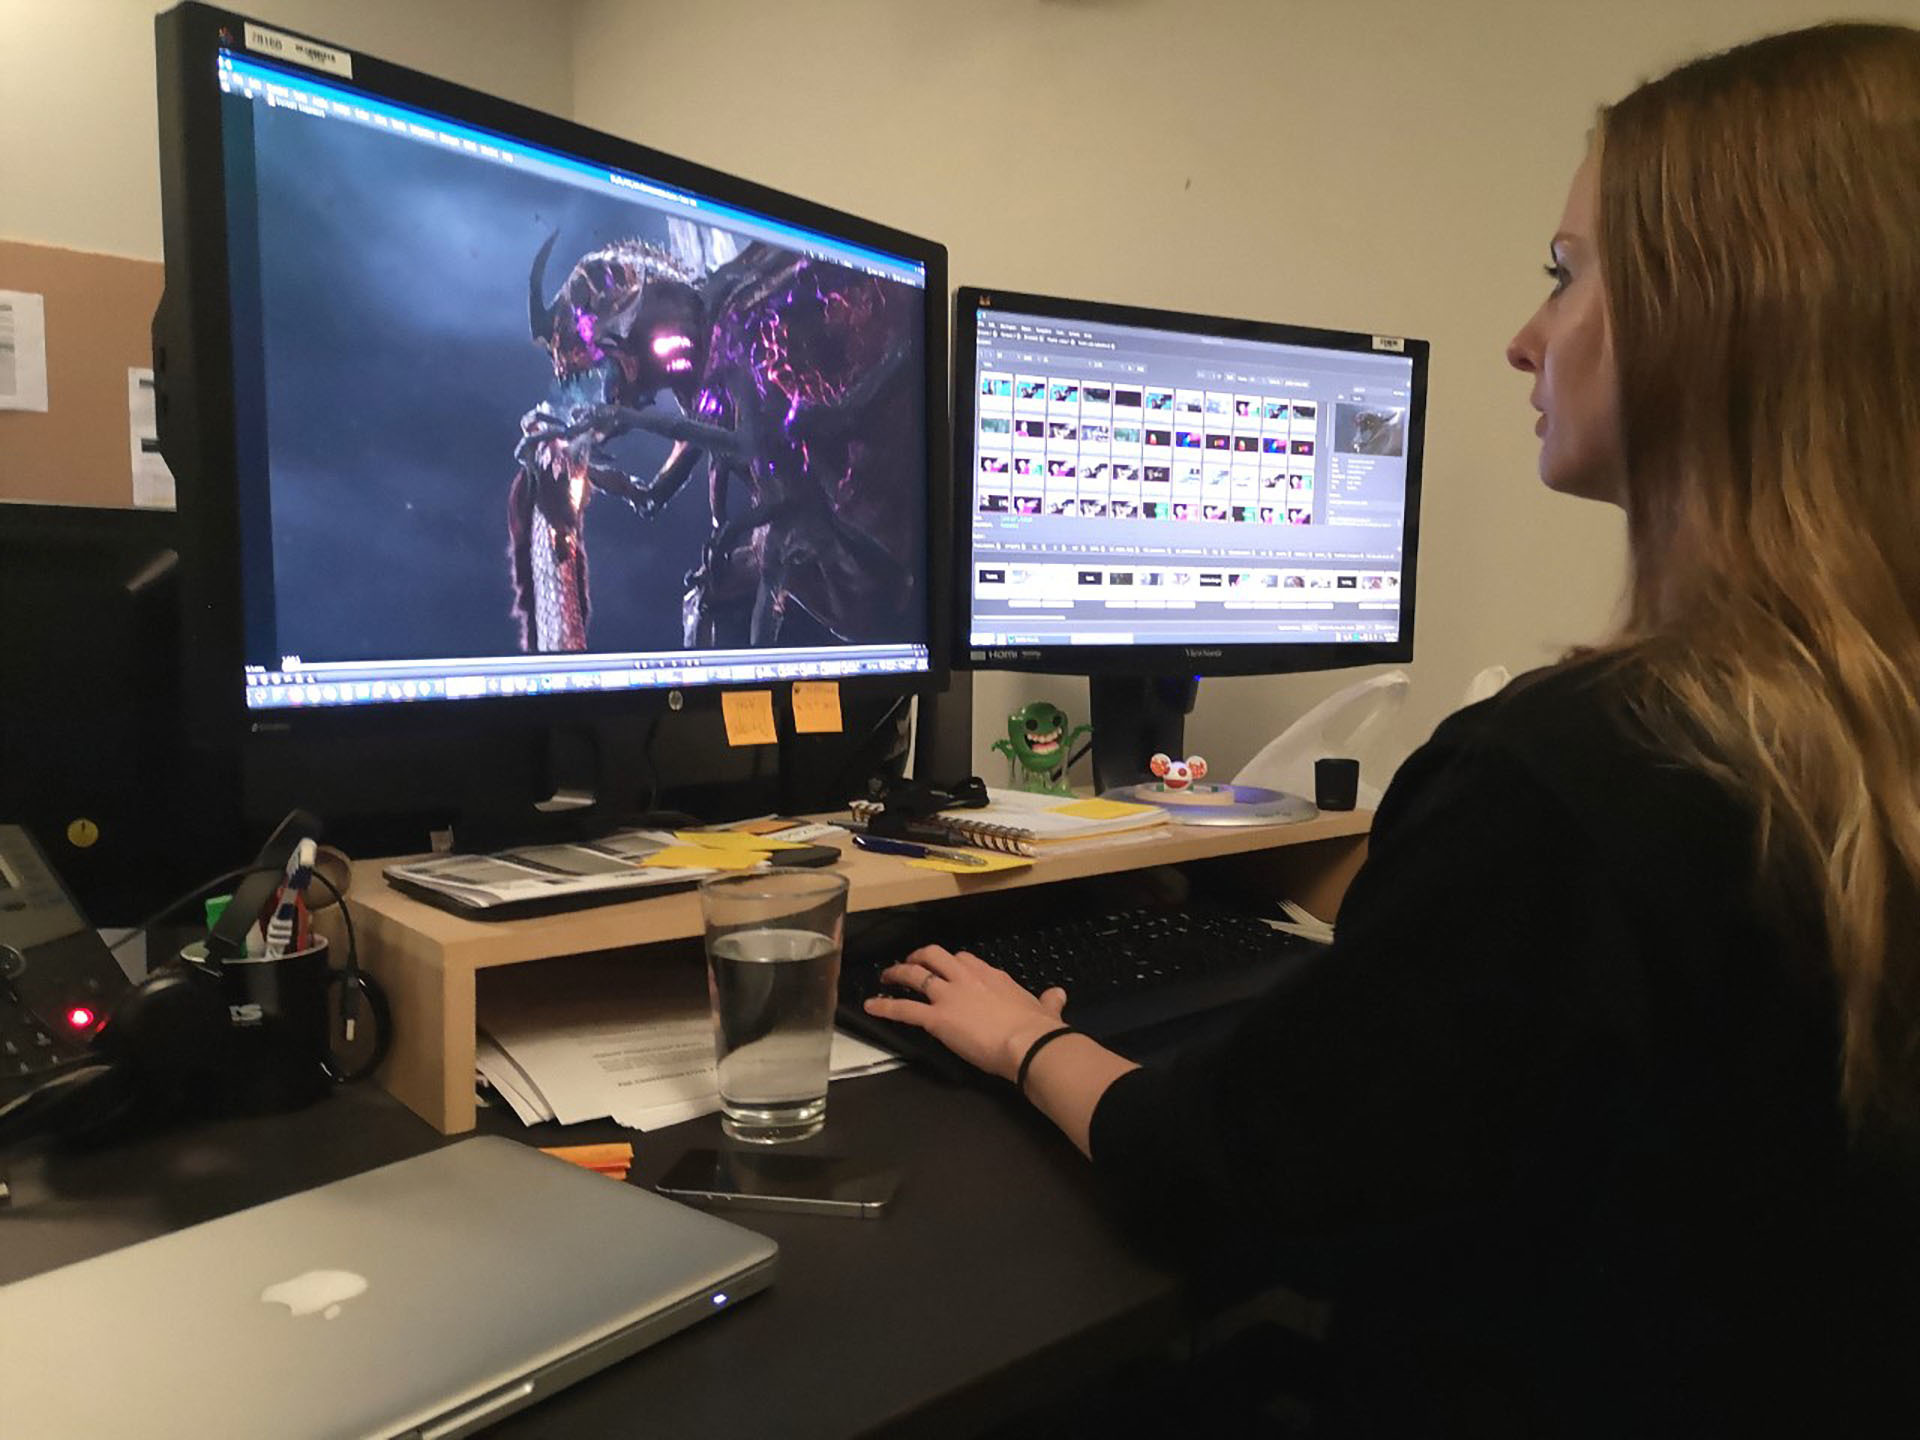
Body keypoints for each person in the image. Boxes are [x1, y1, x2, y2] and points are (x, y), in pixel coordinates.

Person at [867, 23, 1920, 1438]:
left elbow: (1232, 1175)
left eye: (1568, 273)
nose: (1523, 339)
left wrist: (1019, 1041)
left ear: (1714, 317)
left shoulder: (1575, 784)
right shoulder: (1847, 746)